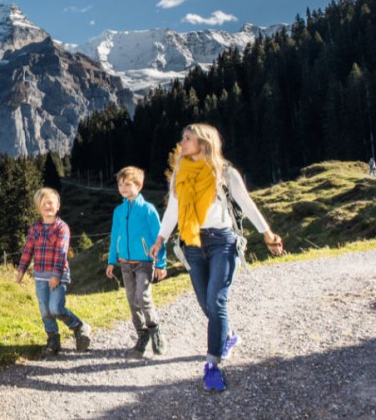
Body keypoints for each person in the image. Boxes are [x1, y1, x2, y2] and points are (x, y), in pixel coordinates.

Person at [148, 123, 285, 392]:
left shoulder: (225, 172)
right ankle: (229, 335)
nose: (183, 143)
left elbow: (247, 204)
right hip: (192, 243)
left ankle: (212, 365)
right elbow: (173, 208)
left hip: (222, 241)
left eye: (188, 139)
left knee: (217, 300)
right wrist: (160, 238)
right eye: (183, 138)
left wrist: (267, 233)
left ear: (204, 142)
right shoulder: (180, 172)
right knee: (205, 302)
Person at [17, 187, 92, 355]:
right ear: (38, 207)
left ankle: (79, 327)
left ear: (57, 205)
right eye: (43, 204)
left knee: (56, 308)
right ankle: (53, 339)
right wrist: (21, 269)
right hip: (40, 277)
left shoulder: (62, 228)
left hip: (58, 275)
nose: (47, 206)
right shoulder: (35, 228)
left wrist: (56, 274)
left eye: (50, 203)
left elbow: (61, 252)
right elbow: (28, 250)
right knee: (45, 310)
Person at [106, 166, 167, 358]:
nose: (122, 188)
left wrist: (161, 263)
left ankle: (155, 330)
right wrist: (111, 260)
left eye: (127, 184)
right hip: (125, 263)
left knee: (143, 298)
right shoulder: (118, 211)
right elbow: (115, 235)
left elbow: (159, 237)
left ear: (139, 185)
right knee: (132, 300)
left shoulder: (147, 210)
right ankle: (142, 335)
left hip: (144, 262)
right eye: (120, 184)